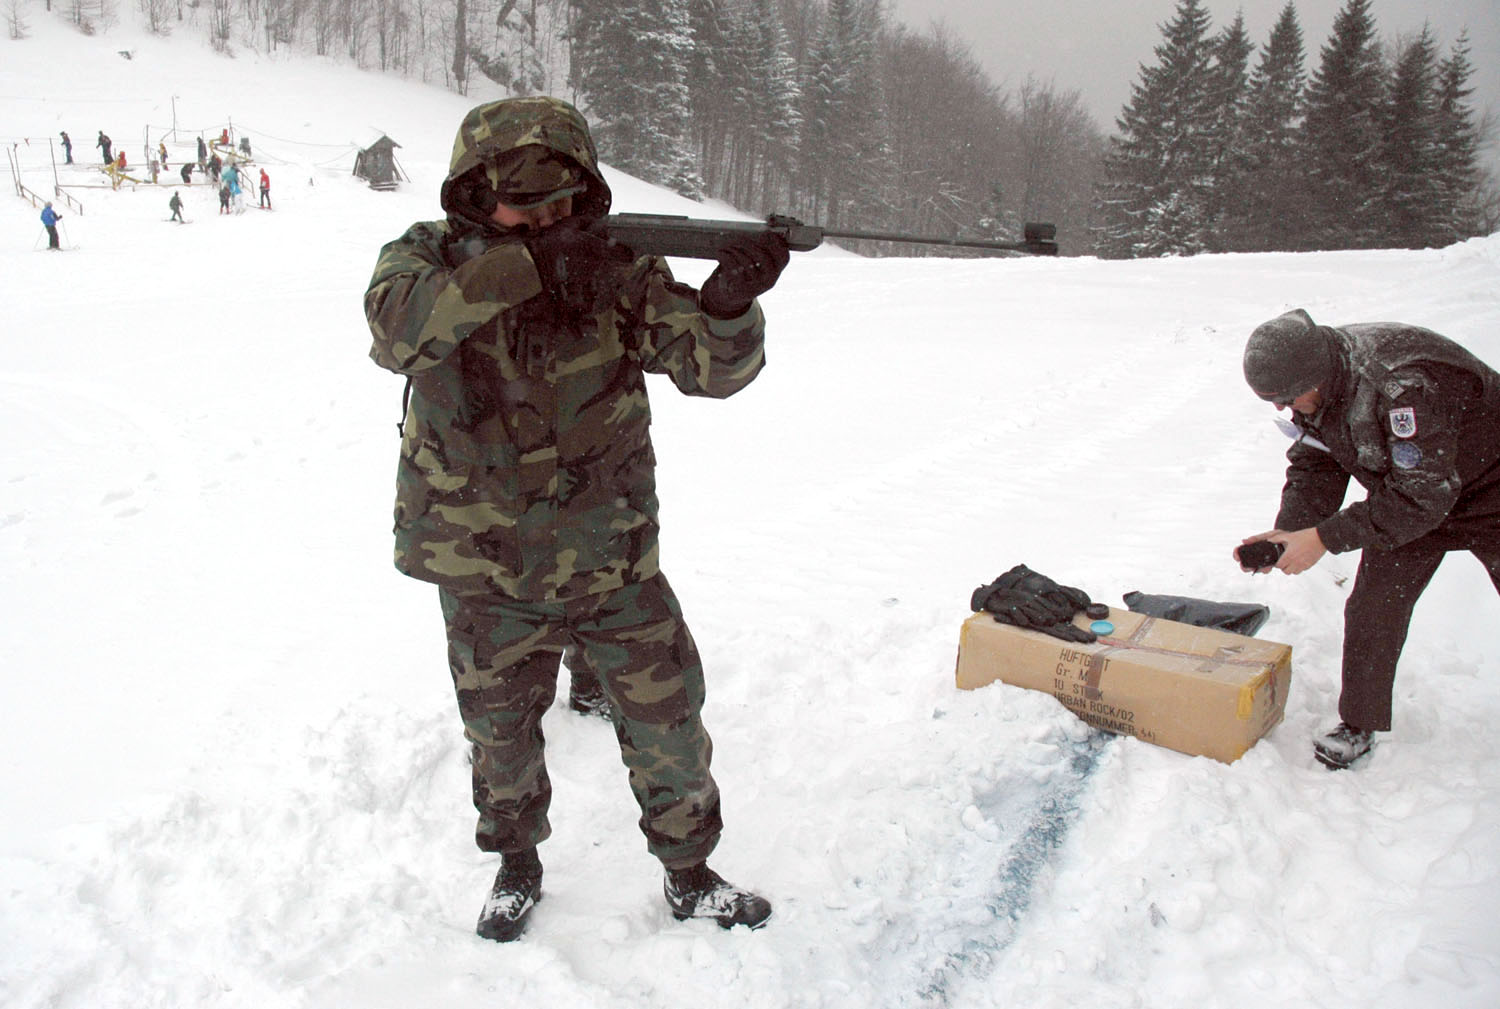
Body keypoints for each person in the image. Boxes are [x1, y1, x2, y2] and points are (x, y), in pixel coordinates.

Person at [362, 96, 789, 943]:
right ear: (475, 195)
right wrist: (528, 270)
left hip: (609, 559)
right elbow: (398, 331)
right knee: (501, 736)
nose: (549, 219)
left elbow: (711, 368)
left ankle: (689, 870)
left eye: (564, 203)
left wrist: (731, 304)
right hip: (486, 570)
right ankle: (517, 863)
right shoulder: (423, 260)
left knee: (669, 723)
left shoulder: (616, 271)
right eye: (526, 203)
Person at [1237, 309, 1500, 769]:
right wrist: (1290, 532)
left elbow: (1423, 496)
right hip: (1409, 497)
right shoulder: (1317, 388)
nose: (1284, 408)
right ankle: (1359, 723)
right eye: (1273, 401)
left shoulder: (1401, 385)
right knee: (1374, 606)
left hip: (1489, 491)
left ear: (1316, 375)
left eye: (1287, 397)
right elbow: (1318, 463)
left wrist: (1322, 538)